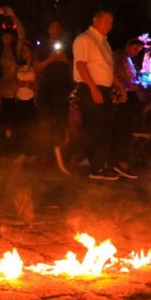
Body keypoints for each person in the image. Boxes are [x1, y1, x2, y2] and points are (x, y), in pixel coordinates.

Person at [70, 11, 121, 181]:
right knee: (95, 125)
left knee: (104, 129)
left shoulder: (104, 42)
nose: (109, 25)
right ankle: (69, 152)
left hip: (104, 89)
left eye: (111, 22)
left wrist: (119, 87)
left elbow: (107, 68)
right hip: (89, 87)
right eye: (106, 21)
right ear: (95, 20)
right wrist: (93, 88)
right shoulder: (85, 39)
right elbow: (81, 65)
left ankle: (98, 167)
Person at [0, 6, 27, 144]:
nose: (6, 37)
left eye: (9, 35)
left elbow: (22, 34)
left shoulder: (17, 51)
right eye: (4, 35)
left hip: (13, 92)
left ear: (12, 38)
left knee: (13, 124)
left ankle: (12, 149)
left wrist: (13, 15)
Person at [34, 20, 72, 165]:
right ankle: (44, 154)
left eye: (58, 26)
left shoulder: (67, 48)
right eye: (53, 26)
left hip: (62, 90)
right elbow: (36, 68)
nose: (55, 29)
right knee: (44, 123)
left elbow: (75, 67)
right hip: (46, 89)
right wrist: (51, 59)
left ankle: (59, 156)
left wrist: (65, 61)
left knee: (61, 124)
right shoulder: (42, 47)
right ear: (49, 30)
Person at [109, 38, 145, 179]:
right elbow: (118, 71)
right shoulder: (119, 56)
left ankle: (119, 161)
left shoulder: (129, 60)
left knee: (125, 129)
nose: (136, 52)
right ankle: (120, 162)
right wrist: (130, 85)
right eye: (134, 48)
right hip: (120, 96)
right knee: (122, 129)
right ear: (127, 45)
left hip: (127, 96)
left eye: (138, 50)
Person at [13, 43, 38, 160]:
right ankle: (23, 152)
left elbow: (38, 83)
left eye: (26, 50)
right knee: (22, 126)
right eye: (23, 51)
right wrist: (19, 84)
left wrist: (32, 85)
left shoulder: (36, 66)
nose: (24, 53)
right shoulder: (19, 67)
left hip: (32, 99)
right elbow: (15, 81)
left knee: (32, 126)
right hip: (20, 97)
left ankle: (32, 152)